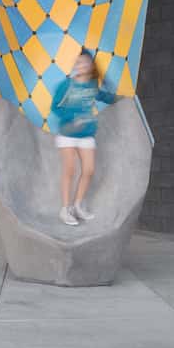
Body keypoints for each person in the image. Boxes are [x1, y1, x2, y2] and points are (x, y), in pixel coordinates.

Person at [48, 50, 119, 226]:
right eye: (78, 62)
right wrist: (73, 119)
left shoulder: (92, 86)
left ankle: (77, 206)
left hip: (87, 134)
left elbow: (103, 96)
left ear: (91, 66)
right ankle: (65, 209)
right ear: (75, 65)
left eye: (85, 62)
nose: (81, 65)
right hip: (67, 133)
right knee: (69, 170)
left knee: (89, 170)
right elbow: (55, 107)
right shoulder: (67, 85)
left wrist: (119, 98)